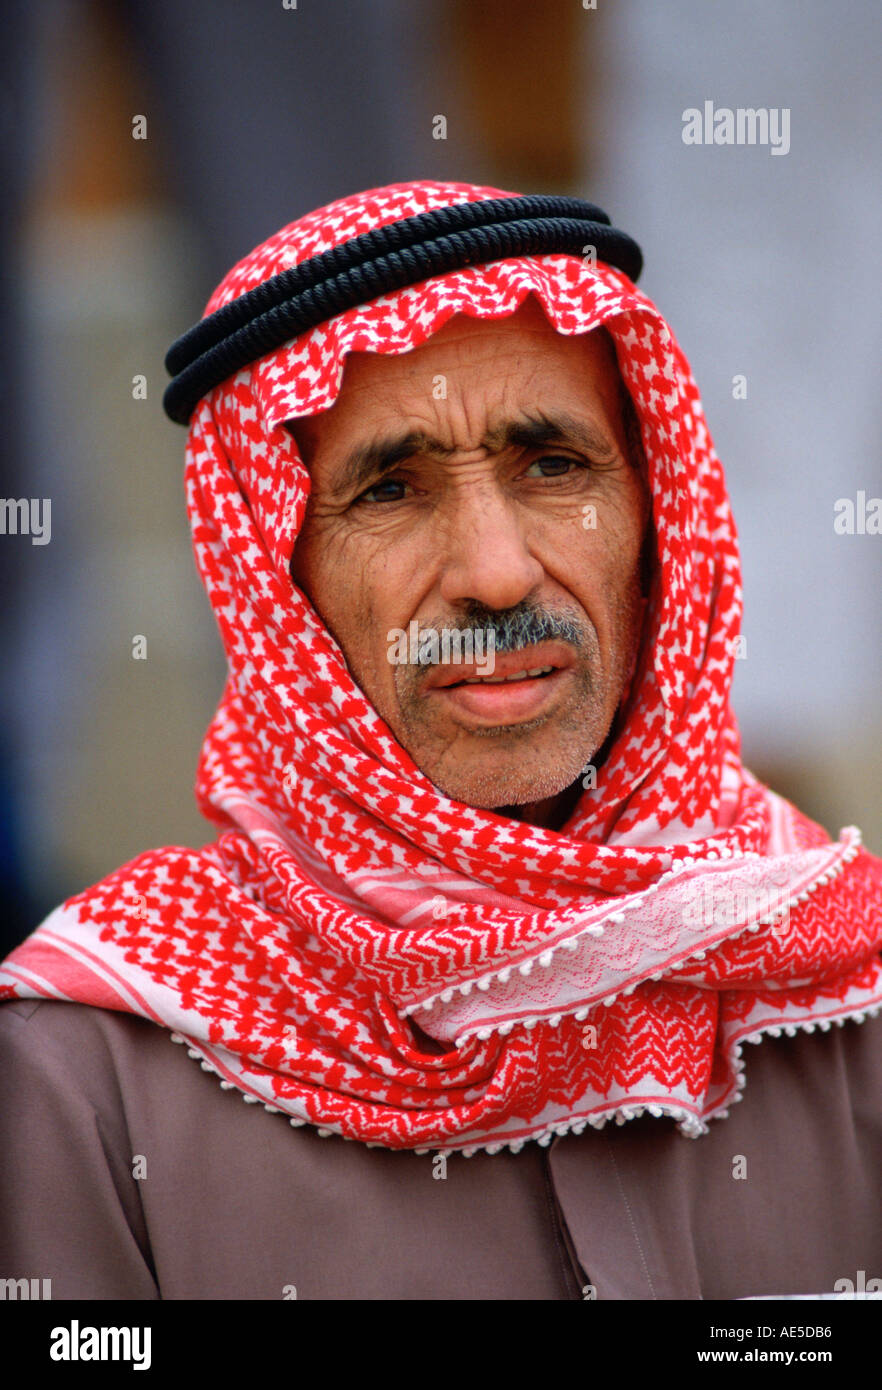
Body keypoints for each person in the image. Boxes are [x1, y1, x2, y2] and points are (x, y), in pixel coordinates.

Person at [2, 180, 881, 1302]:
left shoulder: (844, 989)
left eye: (555, 466)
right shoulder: (87, 1082)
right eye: (391, 491)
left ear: (658, 524)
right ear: (283, 589)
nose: (496, 573)